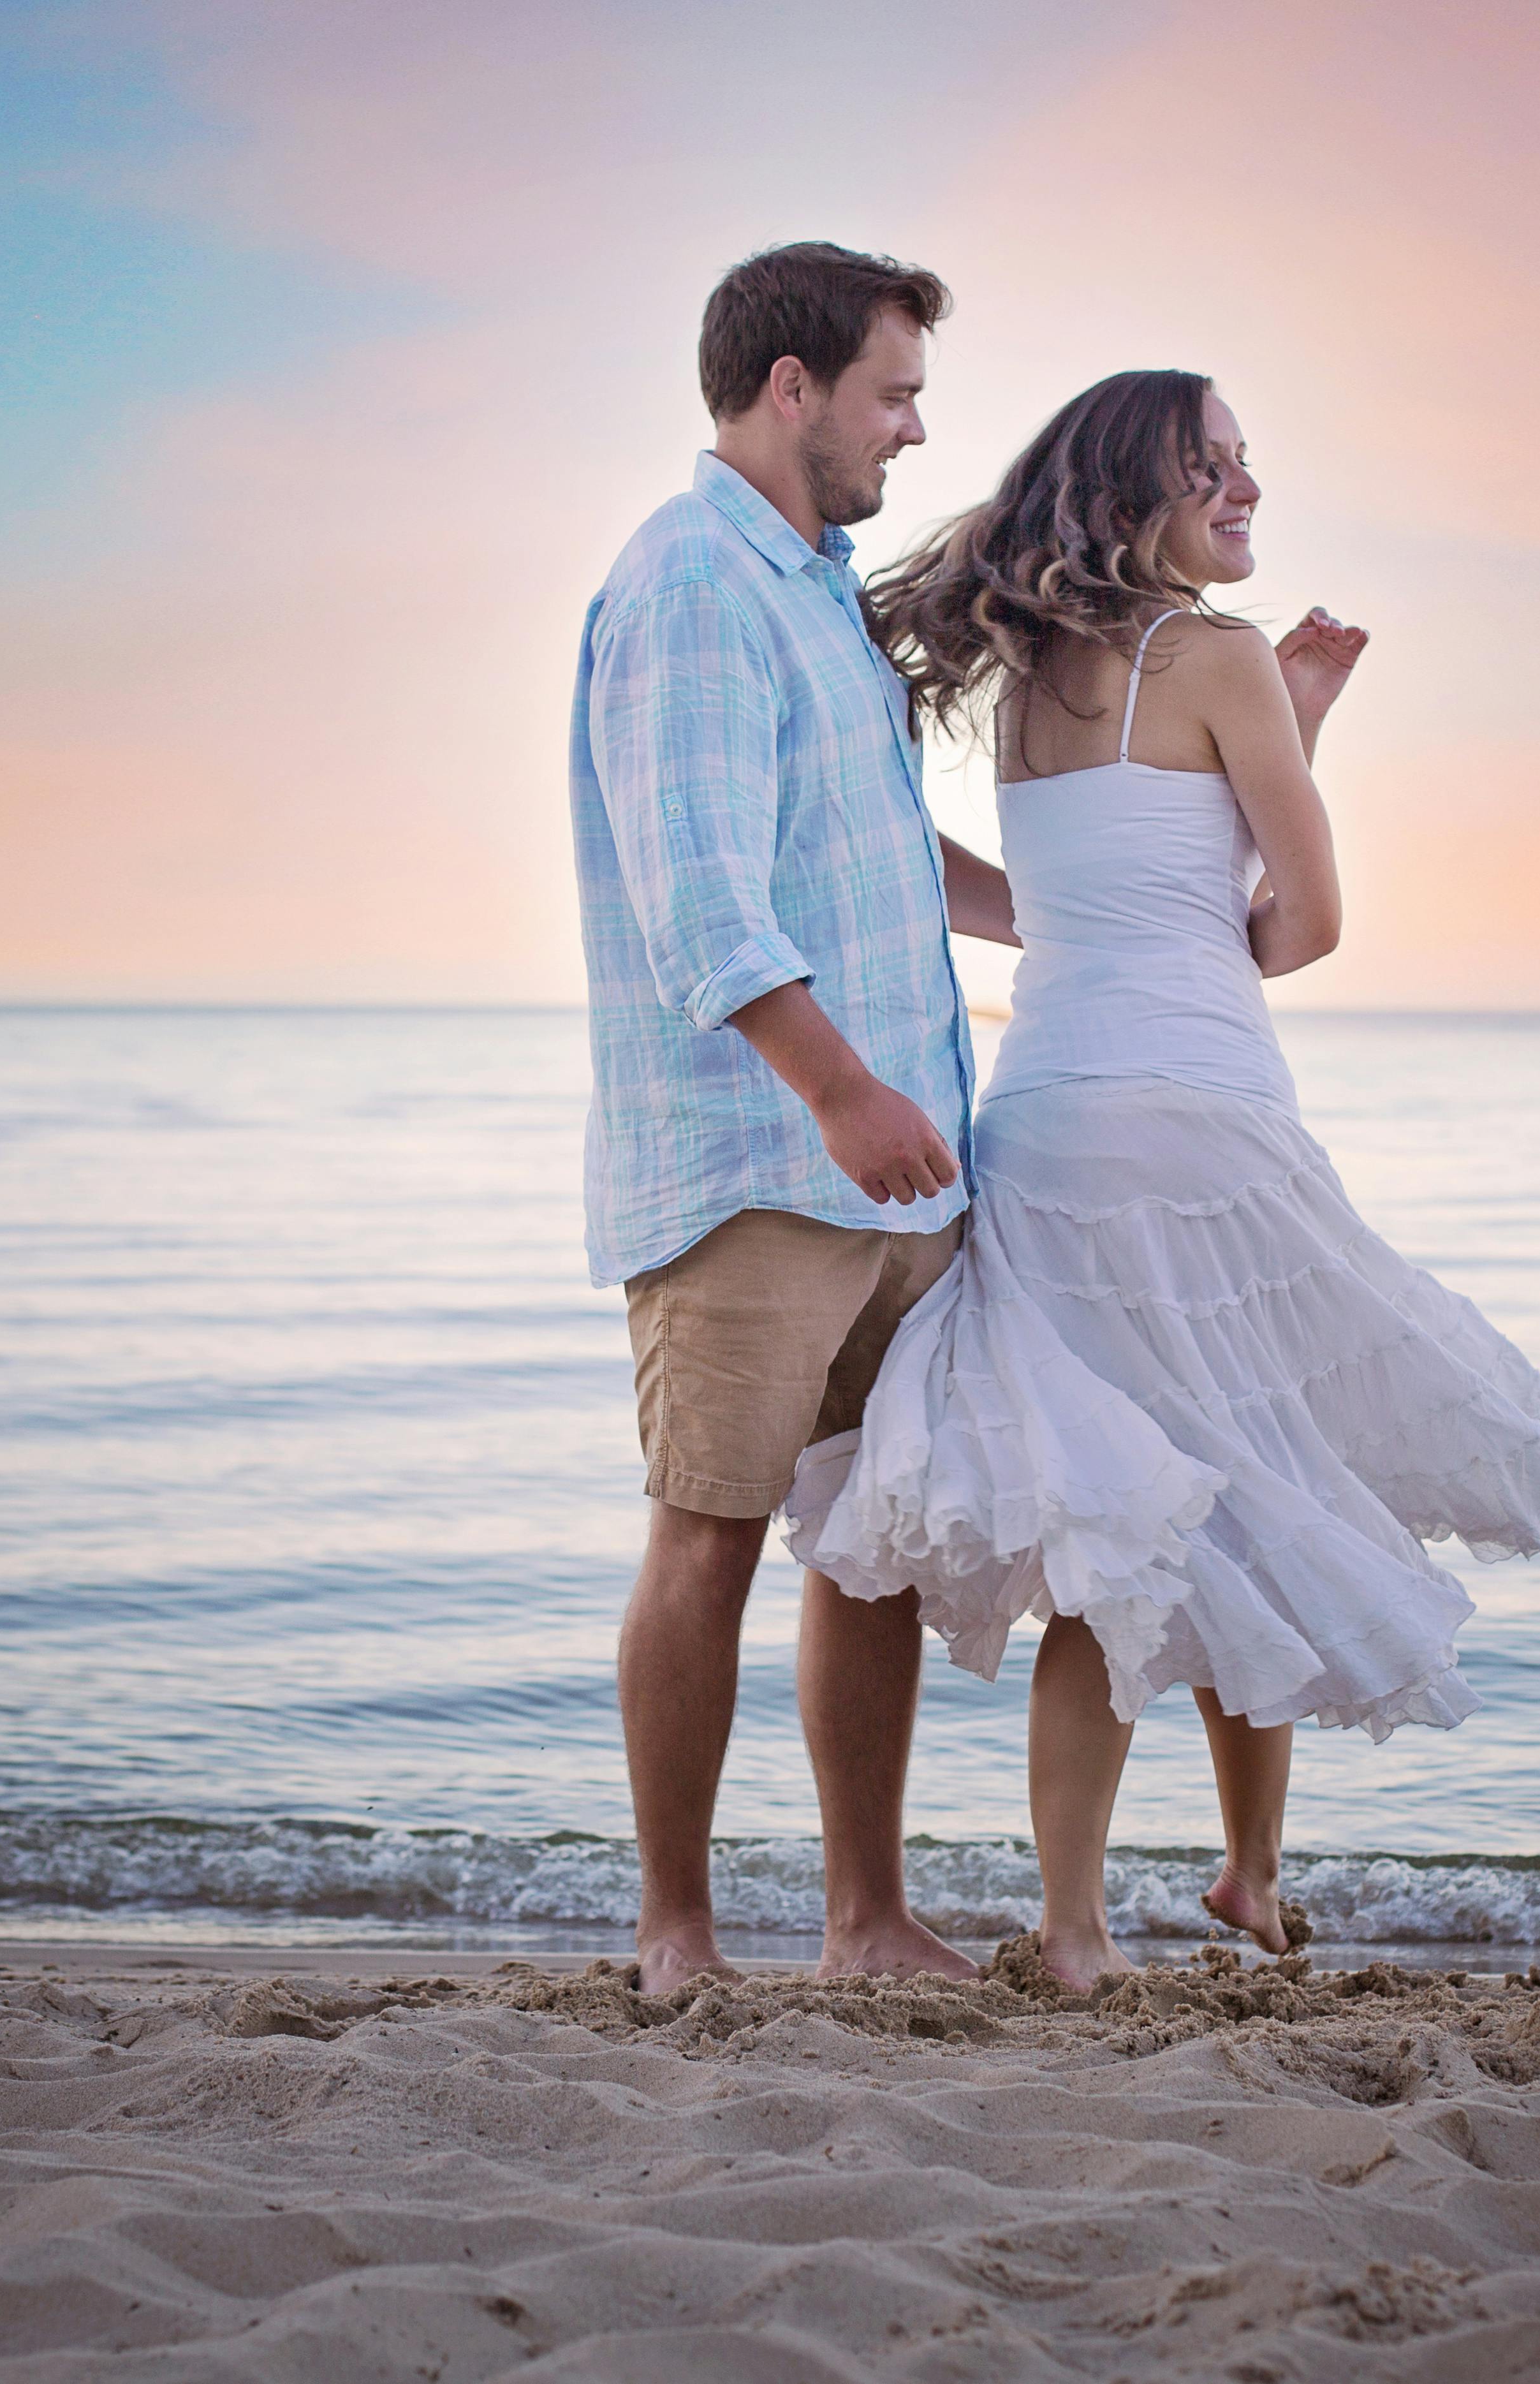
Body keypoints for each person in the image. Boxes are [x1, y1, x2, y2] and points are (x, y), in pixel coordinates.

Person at [786, 369, 1540, 1992]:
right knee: (1250, 1468)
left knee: (1127, 1504)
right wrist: (1291, 733)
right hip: (1200, 1120)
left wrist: (1281, 729)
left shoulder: (1028, 670)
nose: (1243, 491)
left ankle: (1086, 1928)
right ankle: (1240, 1870)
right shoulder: (1218, 655)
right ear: (1136, 492)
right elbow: (1298, 927)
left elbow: (1111, 871)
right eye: (1210, 469)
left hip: (1046, 1120)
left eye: (1247, 465)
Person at [569, 242, 1023, 1994]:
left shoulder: (817, 591)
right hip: (759, 1159)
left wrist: (1069, 912)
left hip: (892, 1165)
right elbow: (700, 895)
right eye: (891, 393)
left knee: (873, 1537)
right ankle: (675, 1932)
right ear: (790, 388)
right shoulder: (692, 581)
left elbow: (880, 858)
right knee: (711, 1530)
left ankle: (863, 1921)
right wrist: (837, 1092)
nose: (909, 431)